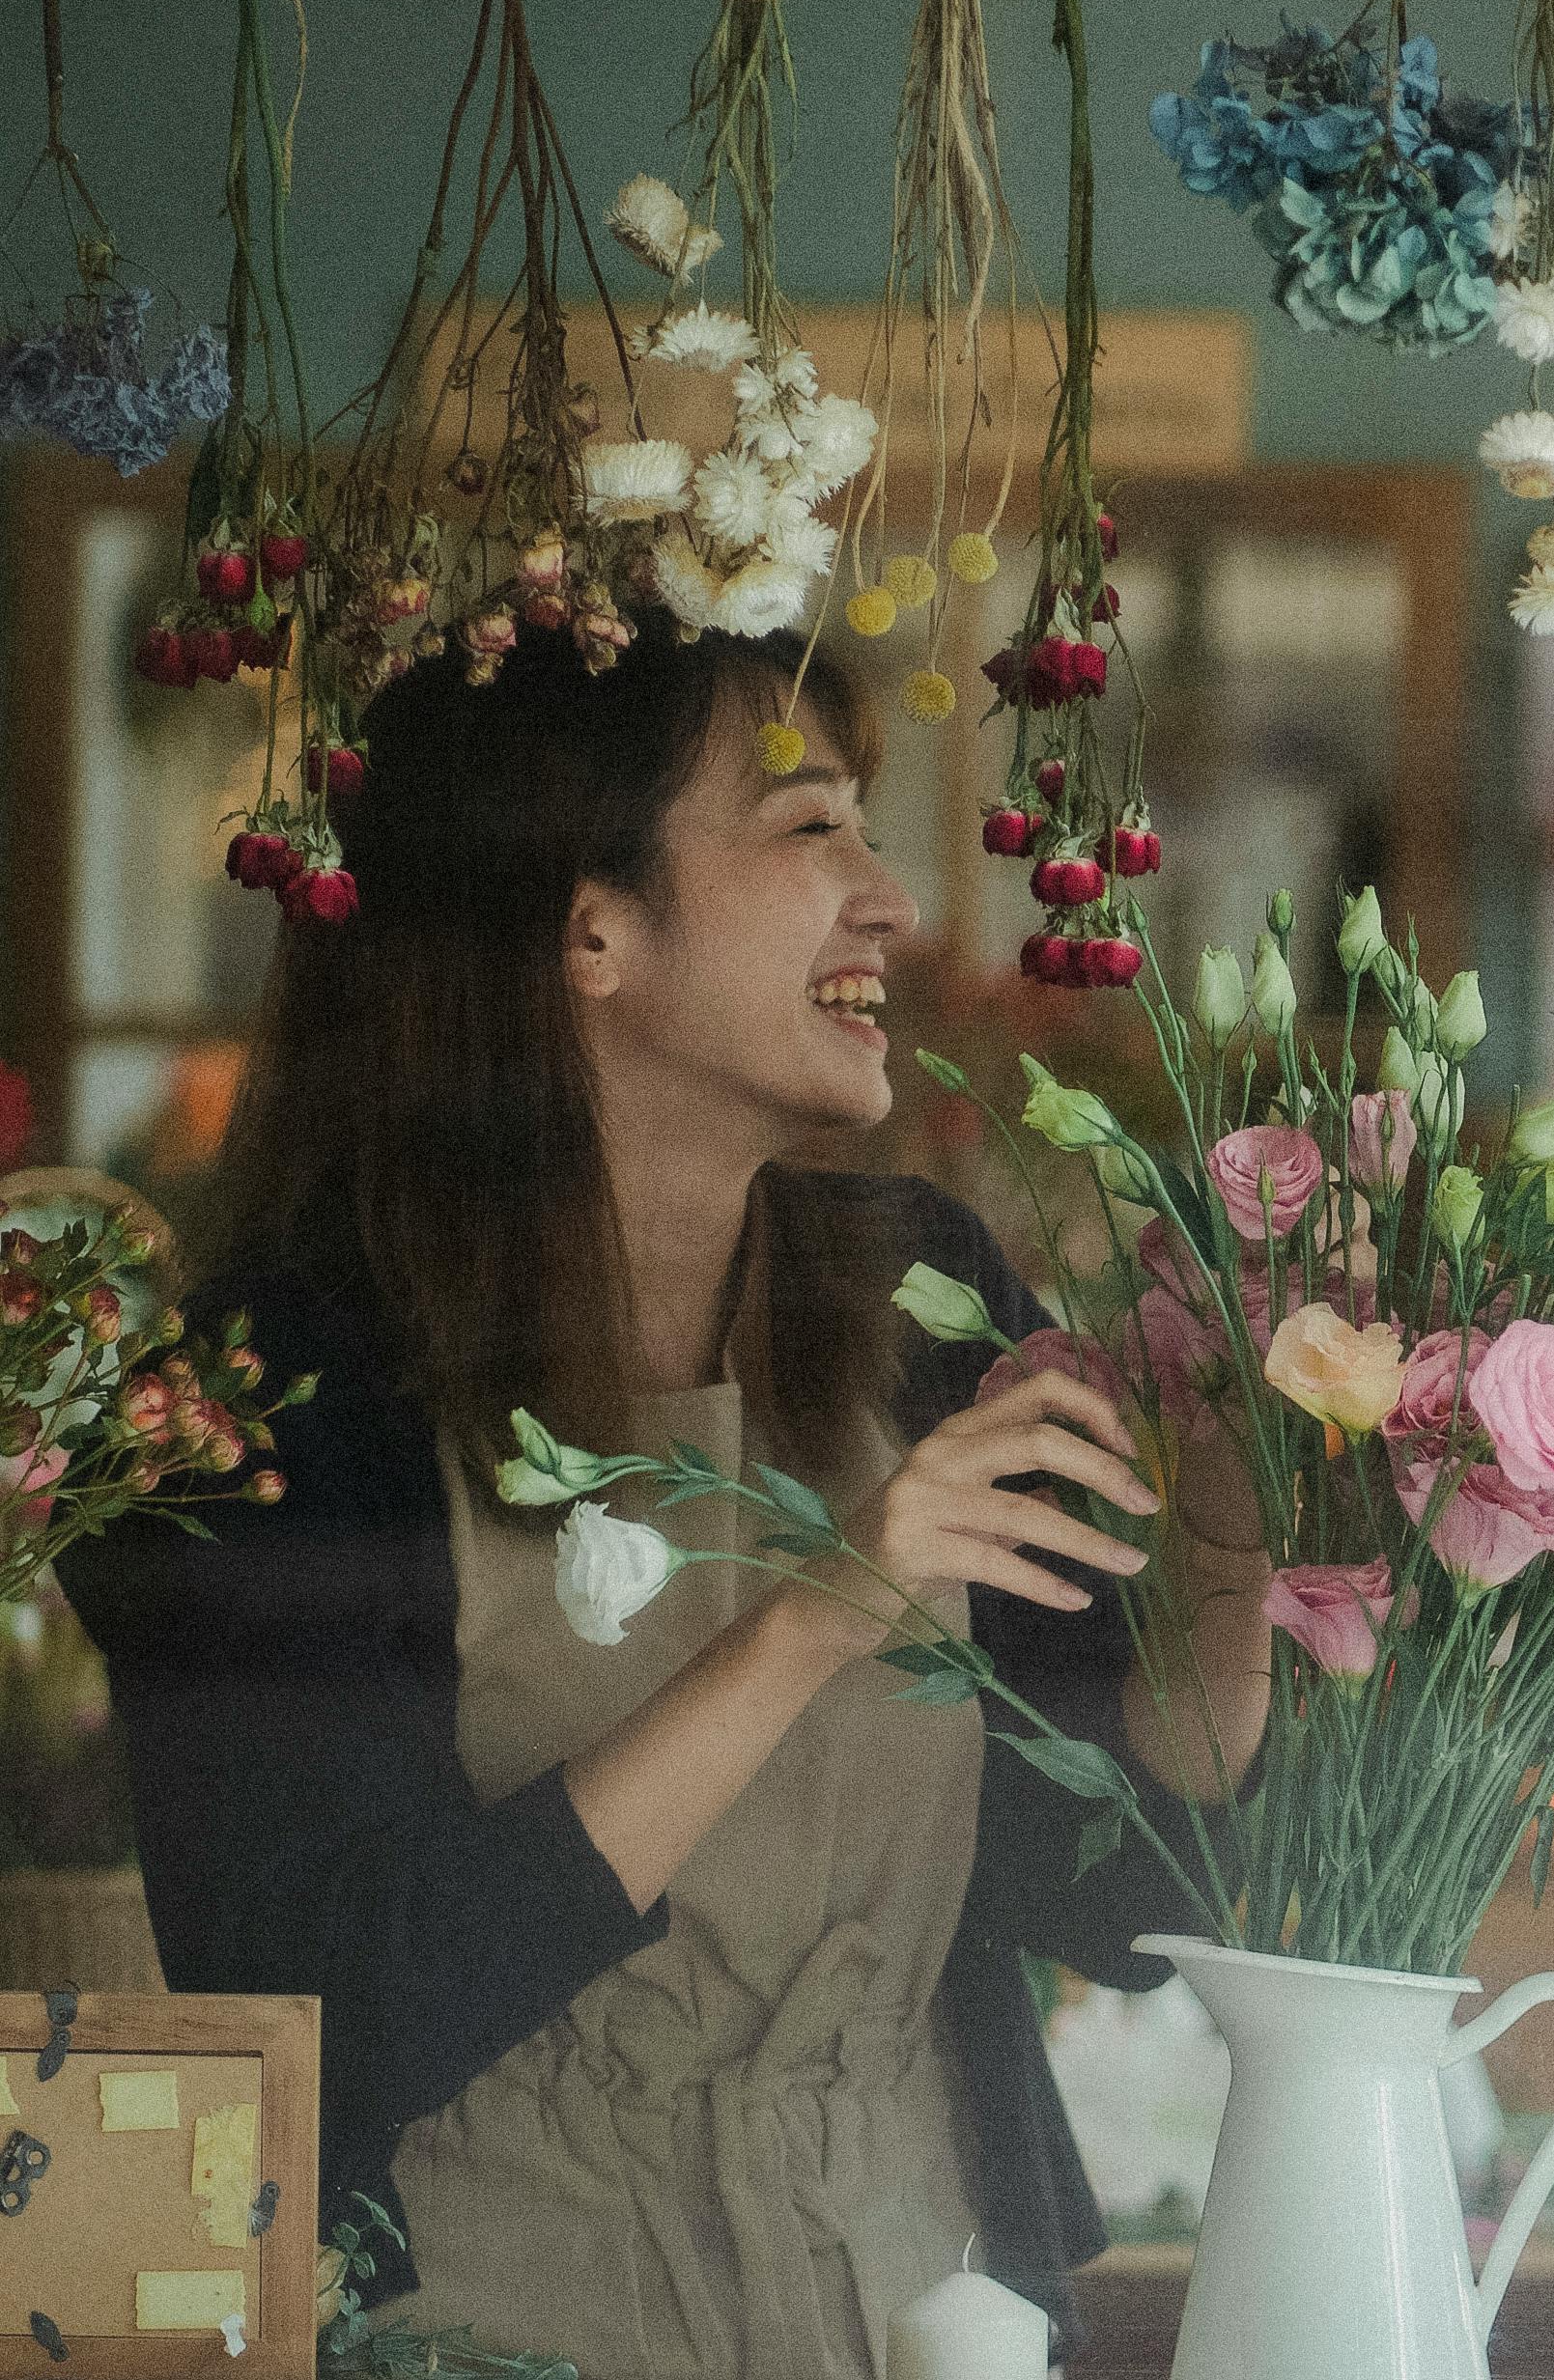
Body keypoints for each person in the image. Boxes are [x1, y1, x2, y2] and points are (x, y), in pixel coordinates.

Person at [68, 615, 1281, 2374]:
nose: (891, 900)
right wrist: (820, 1615)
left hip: (919, 2307)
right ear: (589, 927)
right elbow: (334, 2006)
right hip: (471, 2326)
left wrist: (1238, 1569)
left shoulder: (925, 1297)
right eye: (809, 832)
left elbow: (1119, 1899)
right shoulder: (272, 1391)